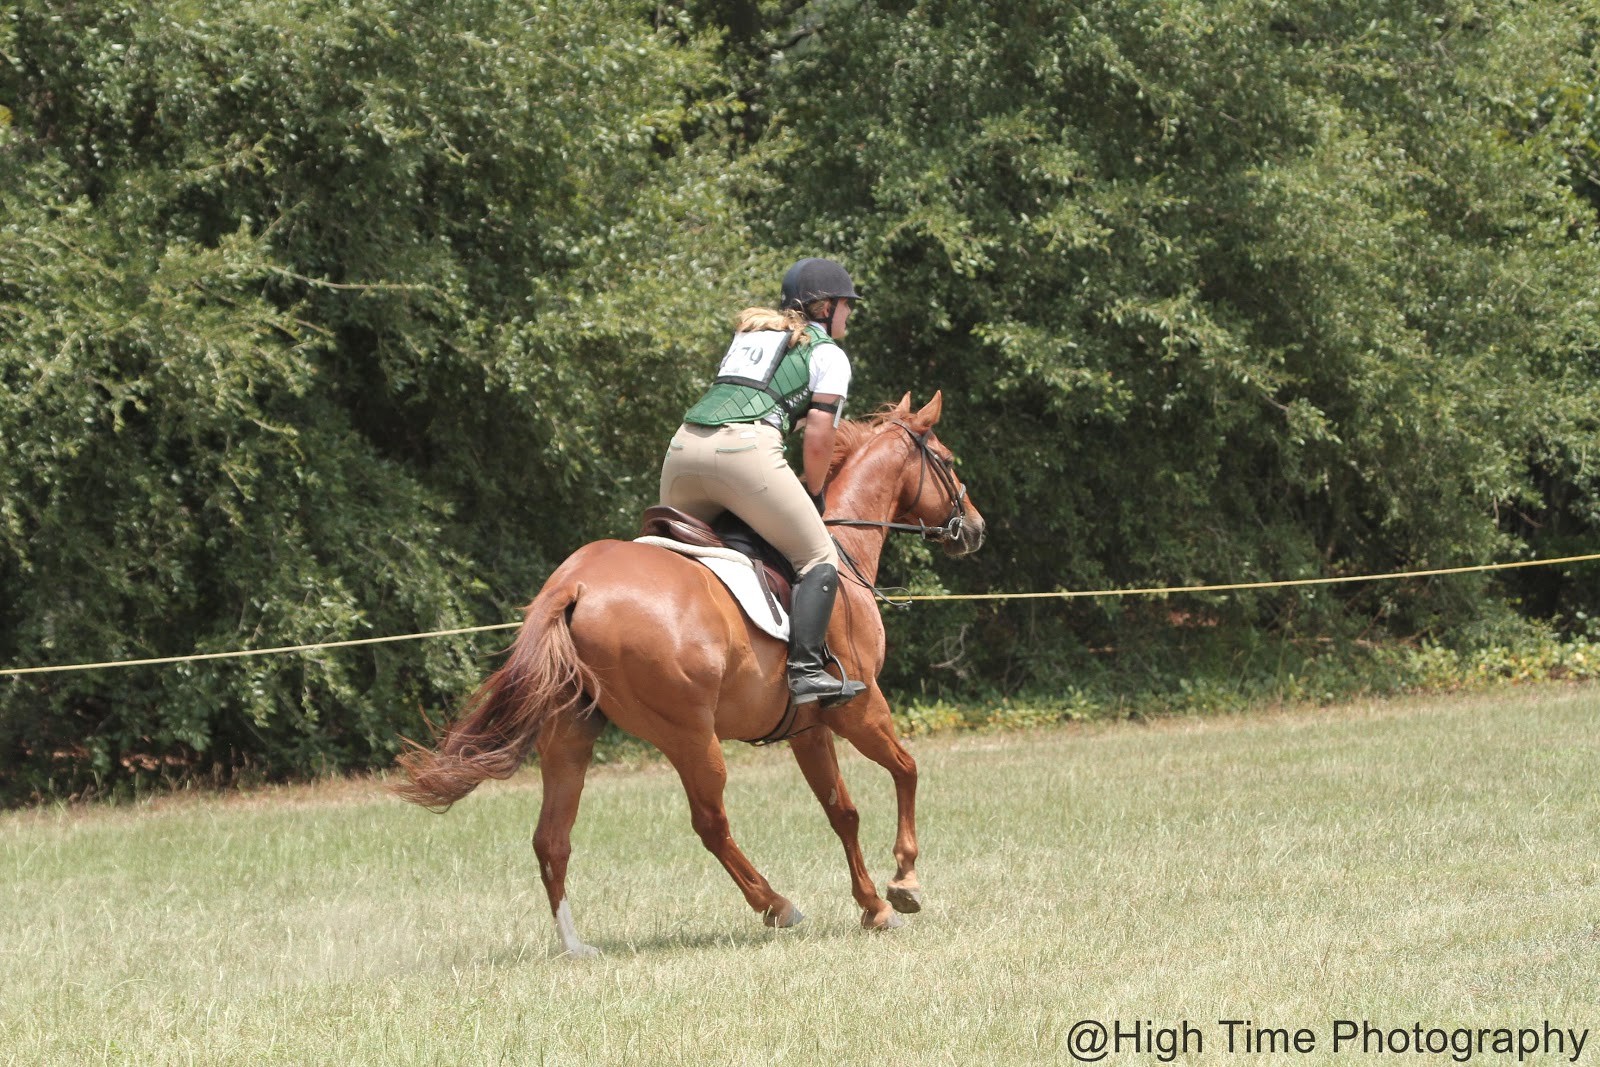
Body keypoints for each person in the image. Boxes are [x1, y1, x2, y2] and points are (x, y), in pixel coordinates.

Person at [660, 257, 868, 706]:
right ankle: (807, 672)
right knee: (817, 556)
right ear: (826, 306)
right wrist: (814, 491)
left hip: (680, 453)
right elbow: (818, 438)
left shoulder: (752, 336)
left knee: (688, 559)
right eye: (847, 305)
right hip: (742, 455)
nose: (850, 314)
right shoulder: (828, 354)